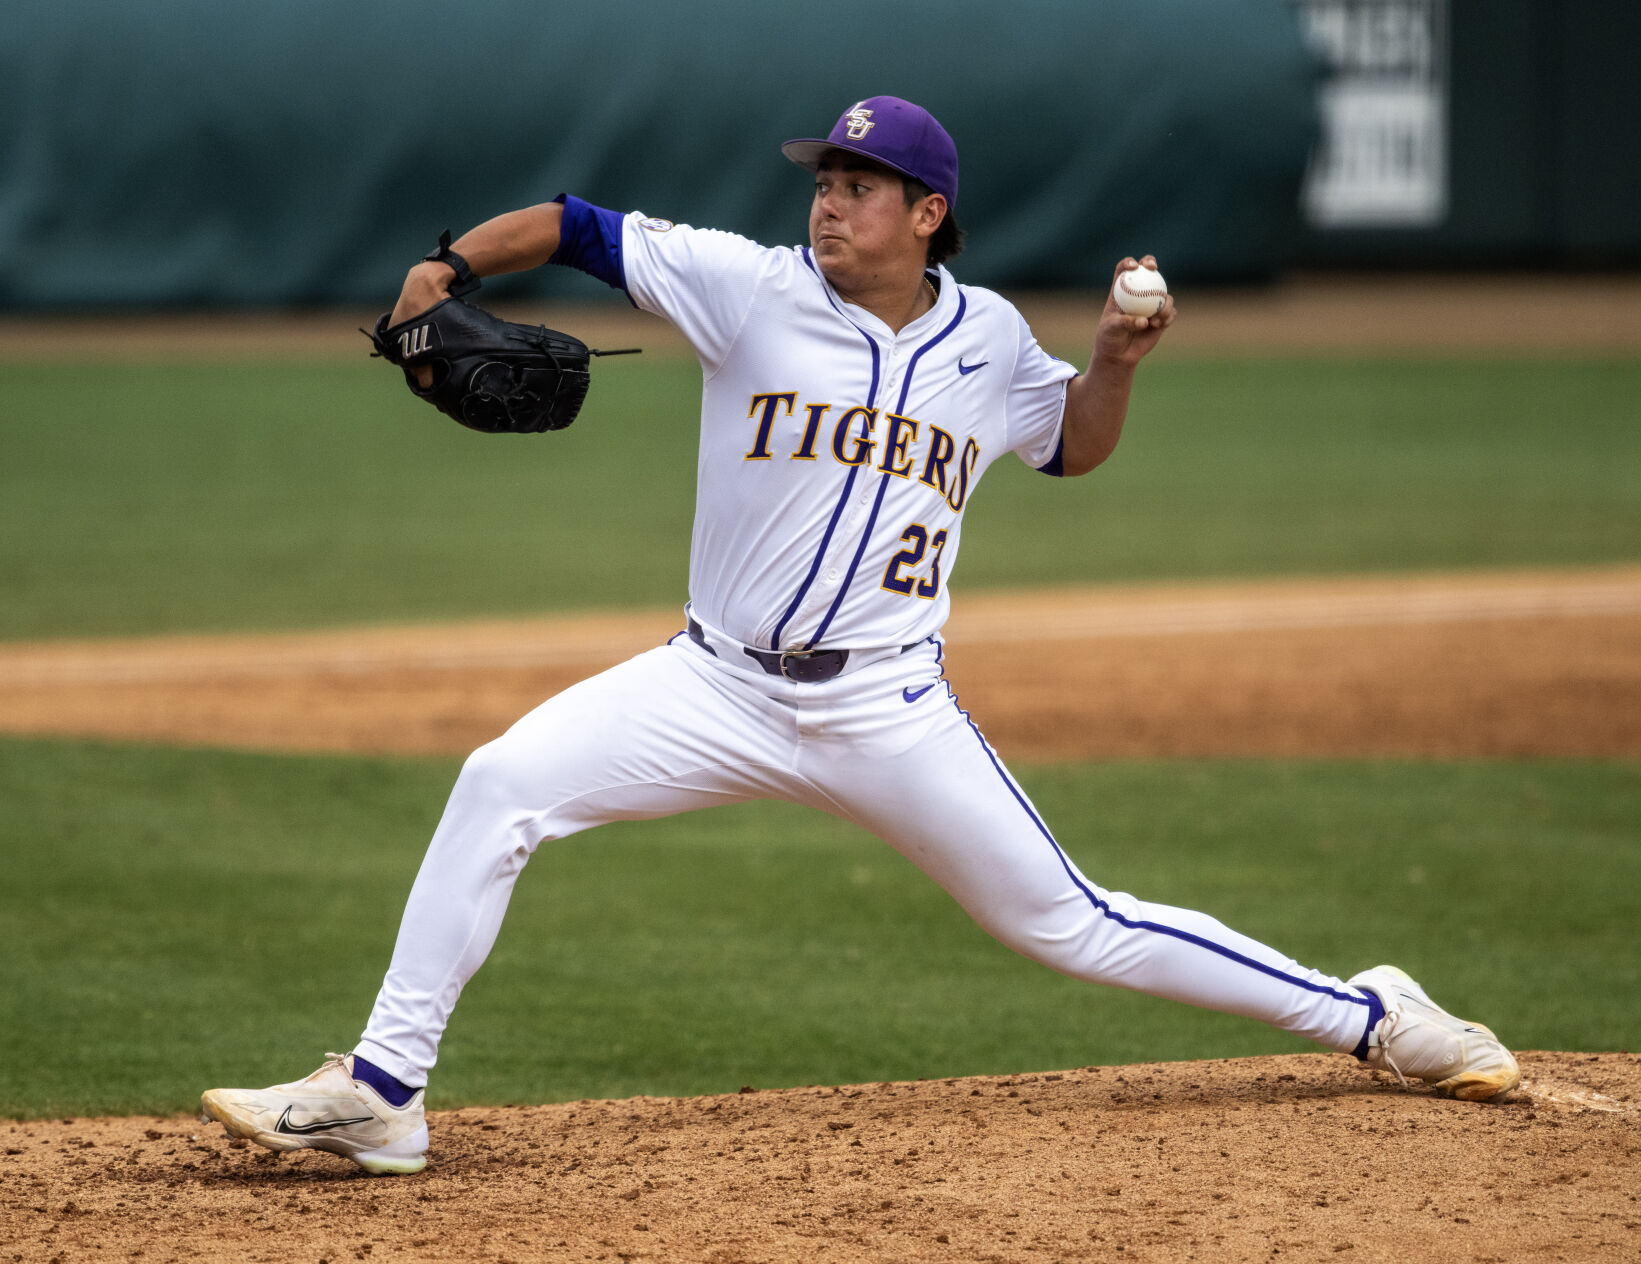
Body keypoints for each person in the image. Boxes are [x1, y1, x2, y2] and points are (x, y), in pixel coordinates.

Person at [202, 96, 1519, 1175]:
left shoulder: (988, 337)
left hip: (885, 709)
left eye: (859, 184)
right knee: (502, 783)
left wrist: (1114, 363)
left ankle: (1372, 1015)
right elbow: (574, 225)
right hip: (708, 685)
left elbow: (1069, 447)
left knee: (1070, 923)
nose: (828, 201)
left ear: (926, 213)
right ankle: (384, 1089)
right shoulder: (747, 287)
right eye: (823, 179)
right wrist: (444, 267)